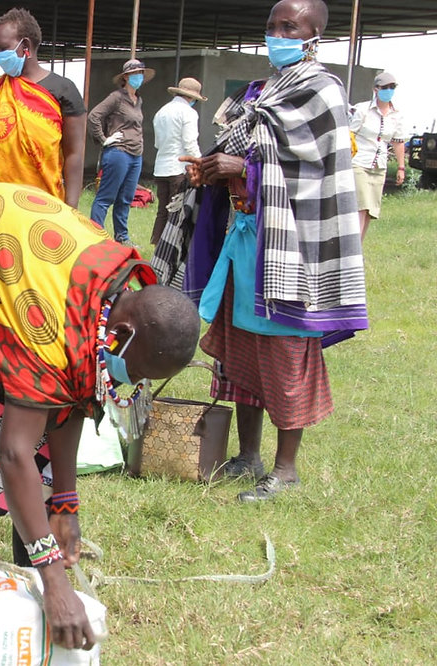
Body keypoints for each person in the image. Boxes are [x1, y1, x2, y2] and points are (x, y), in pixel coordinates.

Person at [0, 183, 200, 650]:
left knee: (39, 409)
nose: (131, 383)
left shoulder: (118, 296)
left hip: (15, 251)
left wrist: (66, 502)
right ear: (121, 333)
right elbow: (14, 452)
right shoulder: (47, 325)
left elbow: (76, 391)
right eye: (137, 371)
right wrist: (57, 584)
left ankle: (28, 576)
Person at [174, 0, 367, 502]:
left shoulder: (322, 91)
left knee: (283, 354)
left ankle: (285, 468)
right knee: (242, 352)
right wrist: (216, 169)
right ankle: (248, 455)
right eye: (272, 26)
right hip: (245, 240)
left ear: (313, 35)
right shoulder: (257, 93)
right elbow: (244, 151)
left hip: (290, 247)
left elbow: (314, 172)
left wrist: (243, 168)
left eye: (290, 27)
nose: (277, 34)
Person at [0, 7, 86, 208]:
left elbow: (74, 154)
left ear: (25, 45)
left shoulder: (63, 90)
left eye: (3, 49)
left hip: (40, 206)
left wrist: (72, 208)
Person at [87, 59, 154, 244]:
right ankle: (95, 236)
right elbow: (94, 116)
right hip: (118, 153)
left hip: (135, 155)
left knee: (125, 199)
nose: (139, 77)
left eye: (141, 73)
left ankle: (122, 237)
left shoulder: (138, 100)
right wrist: (104, 139)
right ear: (126, 77)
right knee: (105, 197)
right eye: (135, 74)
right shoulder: (116, 97)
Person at [349, 71, 407, 240]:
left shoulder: (397, 115)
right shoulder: (362, 110)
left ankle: (358, 247)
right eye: (385, 87)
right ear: (376, 89)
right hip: (359, 162)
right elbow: (349, 134)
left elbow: (398, 142)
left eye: (392, 87)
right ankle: (354, 253)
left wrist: (401, 167)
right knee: (361, 207)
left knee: (370, 211)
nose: (389, 90)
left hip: (379, 166)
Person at [150, 77, 205, 245]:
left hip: (161, 167)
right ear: (193, 97)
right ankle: (171, 247)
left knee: (162, 211)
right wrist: (200, 163)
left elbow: (157, 143)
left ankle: (157, 244)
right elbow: (190, 143)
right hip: (179, 169)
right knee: (176, 211)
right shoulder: (188, 112)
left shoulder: (161, 111)